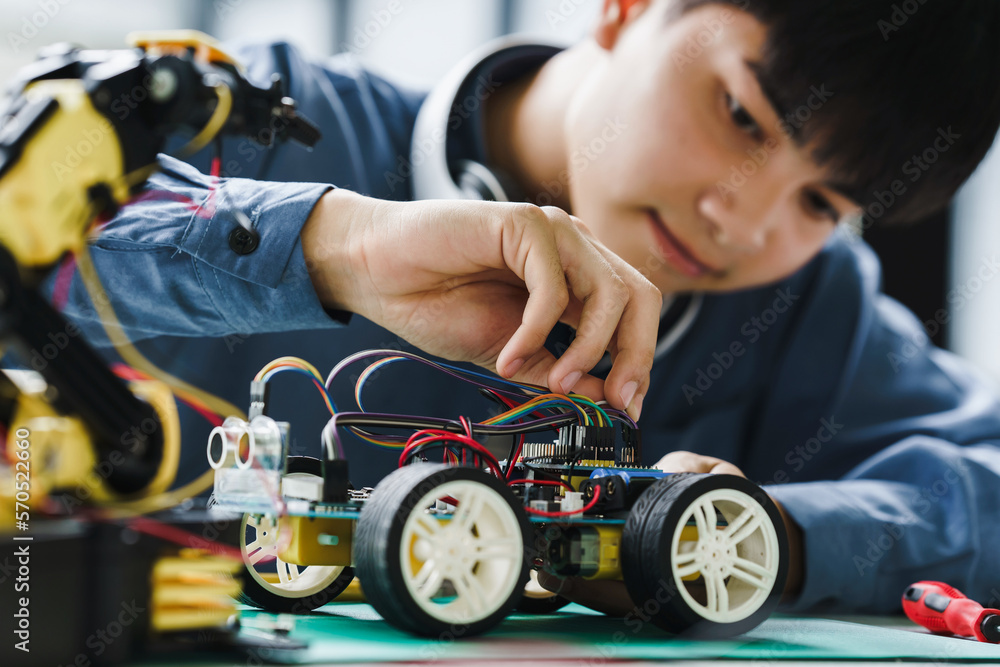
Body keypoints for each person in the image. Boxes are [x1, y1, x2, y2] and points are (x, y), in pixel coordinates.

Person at [48, 0, 1000, 615]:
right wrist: (332, 247)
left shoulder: (805, 310)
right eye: (743, 116)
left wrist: (770, 537)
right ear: (628, 10)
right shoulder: (265, 121)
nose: (740, 221)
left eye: (821, 204)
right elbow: (35, 195)